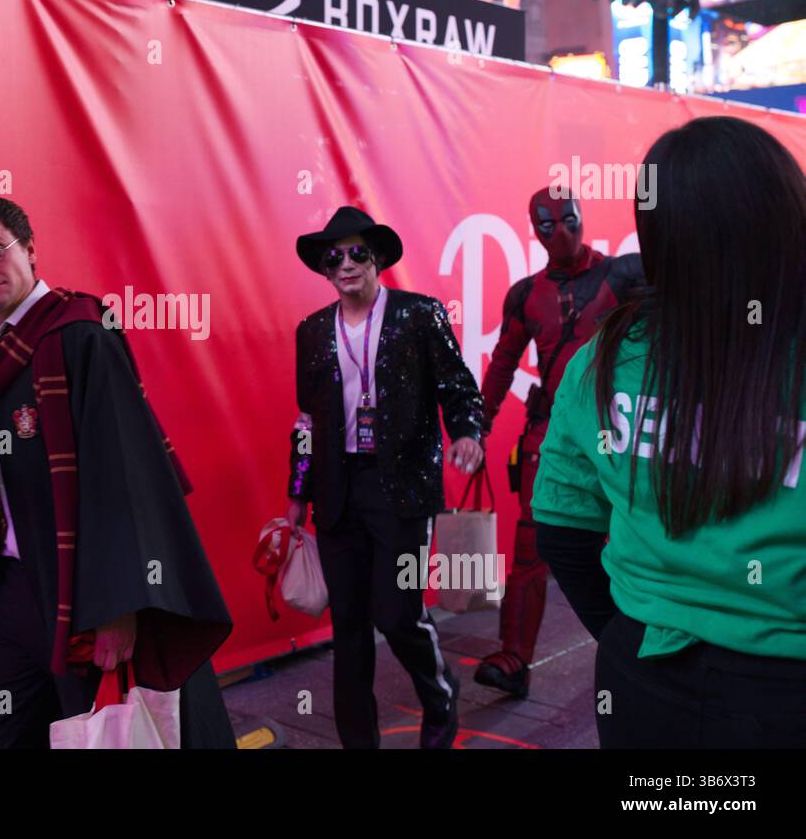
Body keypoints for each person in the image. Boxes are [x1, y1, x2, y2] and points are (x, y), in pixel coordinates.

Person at [0, 196, 235, 748]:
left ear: (29, 249)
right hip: (7, 590)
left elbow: (128, 478)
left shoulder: (83, 336)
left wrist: (121, 607)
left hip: (85, 593)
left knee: (108, 734)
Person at [532, 116, 806, 748]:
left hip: (641, 681)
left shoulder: (608, 354)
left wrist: (631, 634)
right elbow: (563, 530)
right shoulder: (602, 350)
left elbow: (565, 530)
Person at [286, 205, 486, 749]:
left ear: (377, 258)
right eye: (334, 257)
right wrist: (296, 496)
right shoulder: (310, 332)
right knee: (348, 629)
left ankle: (440, 695)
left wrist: (468, 432)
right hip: (337, 491)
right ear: (325, 270)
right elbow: (306, 421)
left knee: (398, 614)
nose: (346, 263)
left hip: (400, 488)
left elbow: (458, 387)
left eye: (356, 252)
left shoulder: (418, 315)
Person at [474, 188, 642, 698]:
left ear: (583, 217)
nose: (561, 233)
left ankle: (649, 647)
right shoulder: (527, 295)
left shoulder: (625, 275)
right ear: (534, 229)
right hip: (555, 433)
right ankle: (514, 658)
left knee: (643, 532)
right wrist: (476, 426)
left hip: (624, 426)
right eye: (547, 226)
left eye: (568, 220)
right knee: (535, 542)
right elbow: (502, 362)